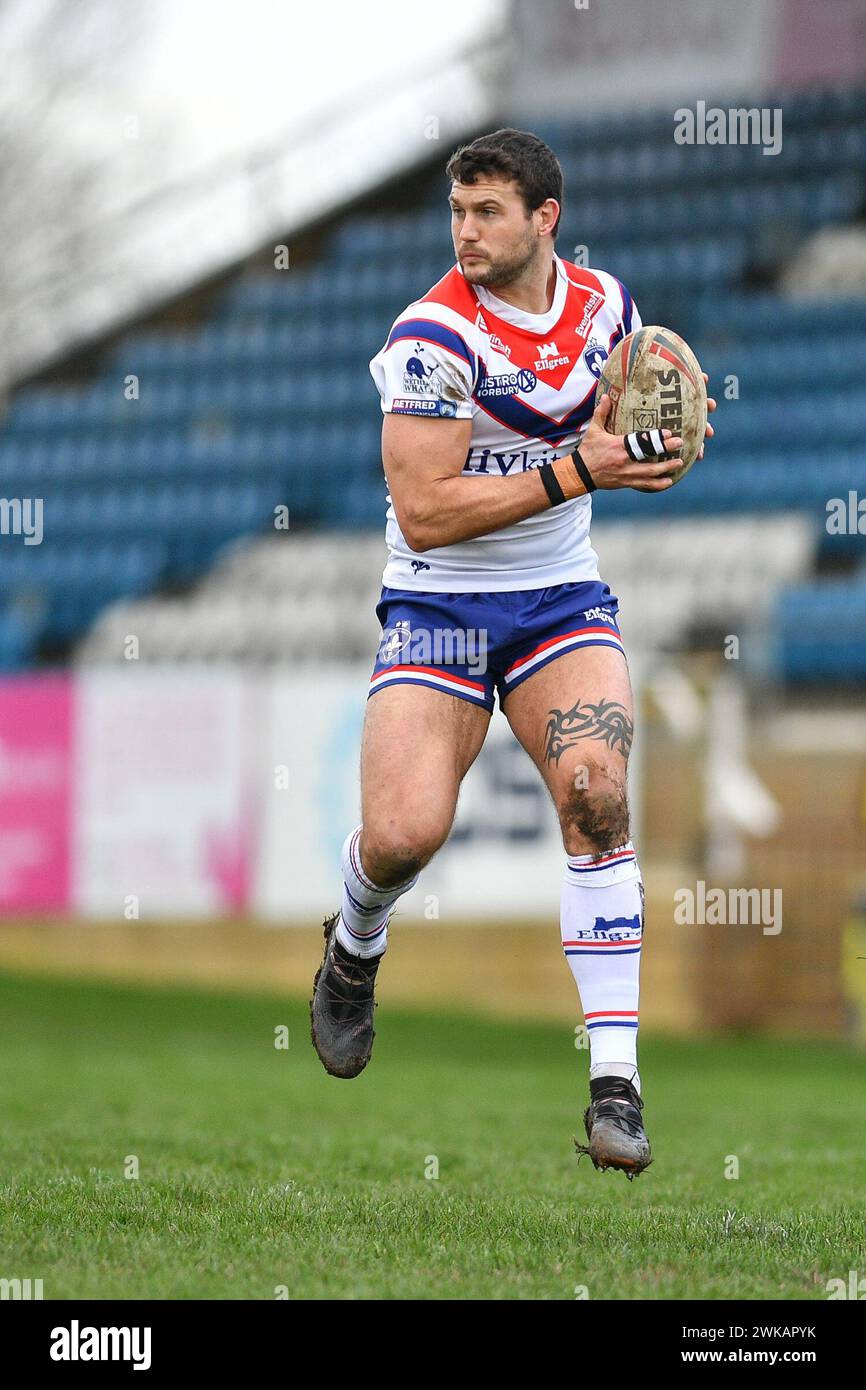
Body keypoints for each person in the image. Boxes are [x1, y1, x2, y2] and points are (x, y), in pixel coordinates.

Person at [310, 128, 715, 1179]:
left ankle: (614, 1088)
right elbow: (427, 510)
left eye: (487, 211)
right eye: (457, 211)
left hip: (556, 604)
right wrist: (580, 473)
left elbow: (627, 428)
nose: (466, 232)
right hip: (437, 602)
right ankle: (354, 946)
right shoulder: (432, 338)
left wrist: (653, 451)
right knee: (401, 834)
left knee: (596, 794)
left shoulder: (606, 311)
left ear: (546, 219)